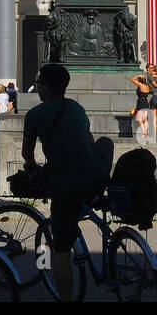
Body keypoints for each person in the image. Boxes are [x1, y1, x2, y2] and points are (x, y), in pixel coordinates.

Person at [23, 63, 114, 302]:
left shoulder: (35, 114)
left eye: (39, 83)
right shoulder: (76, 108)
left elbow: (27, 154)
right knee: (106, 142)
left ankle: (65, 299)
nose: (38, 87)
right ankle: (97, 197)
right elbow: (91, 142)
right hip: (96, 177)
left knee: (60, 250)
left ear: (47, 87)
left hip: (66, 186)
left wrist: (33, 169)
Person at [130, 69, 157, 141]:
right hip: (146, 102)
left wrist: (138, 75)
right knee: (145, 119)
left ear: (140, 80)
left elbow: (132, 79)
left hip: (141, 102)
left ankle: (144, 132)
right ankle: (145, 132)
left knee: (139, 119)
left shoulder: (141, 85)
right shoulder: (147, 86)